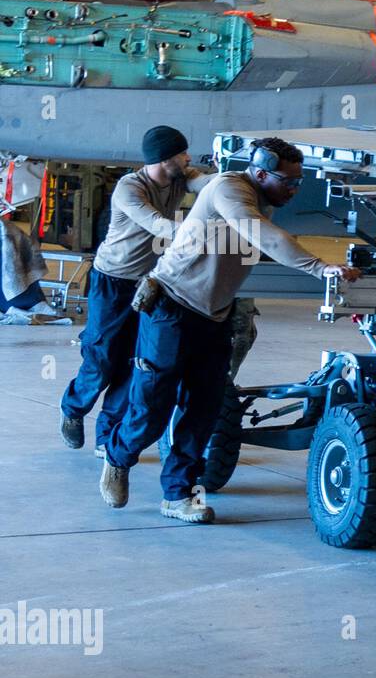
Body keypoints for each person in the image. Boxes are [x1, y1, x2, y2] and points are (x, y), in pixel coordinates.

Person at [98, 137, 362, 523]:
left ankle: (178, 495)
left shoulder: (261, 198)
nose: (293, 189)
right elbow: (261, 235)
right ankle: (118, 457)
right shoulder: (230, 189)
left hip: (213, 316)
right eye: (288, 181)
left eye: (297, 182)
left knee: (203, 409)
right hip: (171, 307)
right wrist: (320, 267)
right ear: (259, 173)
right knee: (152, 407)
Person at [59, 126, 212, 452]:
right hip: (112, 281)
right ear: (165, 158)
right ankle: (73, 409)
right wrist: (204, 233)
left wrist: (236, 187)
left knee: (133, 364)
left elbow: (208, 184)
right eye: (182, 154)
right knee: (102, 359)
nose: (188, 158)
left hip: (150, 283)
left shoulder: (179, 176)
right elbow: (158, 225)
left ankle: (107, 437)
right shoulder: (129, 188)